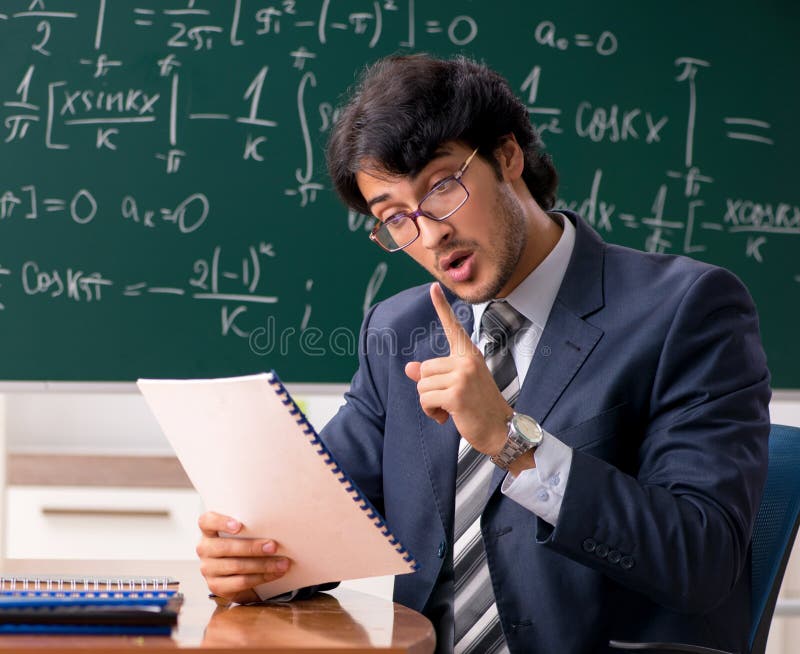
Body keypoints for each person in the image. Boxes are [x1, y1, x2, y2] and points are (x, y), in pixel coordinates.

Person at [196, 54, 771, 653]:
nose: (430, 231)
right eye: (395, 217)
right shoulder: (398, 330)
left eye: (442, 186)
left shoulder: (687, 309)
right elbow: (326, 518)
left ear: (507, 156)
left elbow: (702, 559)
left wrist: (508, 440)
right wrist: (258, 561)